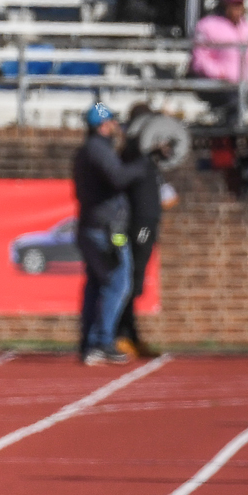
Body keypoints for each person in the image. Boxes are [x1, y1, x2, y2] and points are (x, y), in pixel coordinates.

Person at [75, 103, 150, 365]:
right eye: (112, 122)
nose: (116, 126)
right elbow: (117, 177)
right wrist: (143, 165)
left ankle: (90, 342)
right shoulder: (98, 149)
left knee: (97, 285)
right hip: (107, 230)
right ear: (103, 125)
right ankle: (102, 341)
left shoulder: (88, 150)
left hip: (93, 226)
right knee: (119, 282)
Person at [116, 104, 186, 356]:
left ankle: (130, 334)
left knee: (135, 281)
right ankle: (122, 334)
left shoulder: (147, 162)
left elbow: (168, 196)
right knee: (130, 280)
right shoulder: (133, 154)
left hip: (147, 225)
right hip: (138, 226)